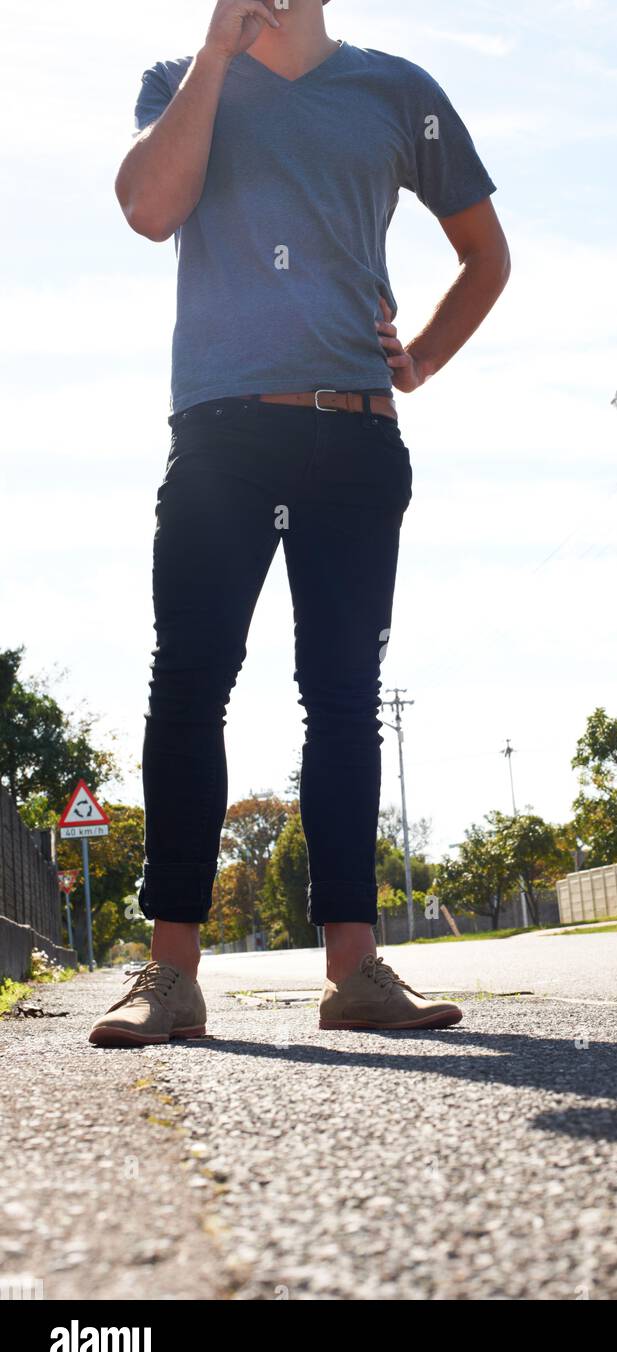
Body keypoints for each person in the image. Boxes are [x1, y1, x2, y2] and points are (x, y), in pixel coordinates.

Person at [89, 0, 510, 1045]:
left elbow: (485, 256)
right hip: (222, 439)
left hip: (354, 440)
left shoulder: (396, 92)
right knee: (187, 684)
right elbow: (148, 208)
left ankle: (355, 972)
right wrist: (215, 51)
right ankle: (171, 975)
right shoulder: (180, 79)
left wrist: (420, 356)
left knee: (343, 696)